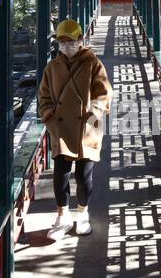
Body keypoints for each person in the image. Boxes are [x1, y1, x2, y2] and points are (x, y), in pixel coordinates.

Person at [37, 18, 112, 239]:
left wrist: (94, 113)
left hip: (86, 127)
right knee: (60, 173)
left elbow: (104, 93)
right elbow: (44, 96)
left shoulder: (93, 63)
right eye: (61, 41)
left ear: (80, 39)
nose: (66, 45)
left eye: (70, 40)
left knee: (83, 175)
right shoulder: (52, 67)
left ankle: (82, 214)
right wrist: (49, 115)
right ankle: (62, 216)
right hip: (60, 127)